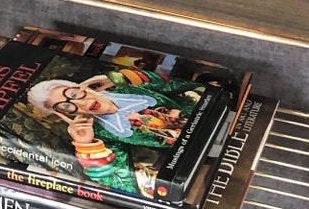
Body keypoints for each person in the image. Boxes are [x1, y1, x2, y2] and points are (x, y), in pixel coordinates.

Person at [26, 70, 198, 195]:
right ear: (66, 114)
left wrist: (121, 77)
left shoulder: (124, 88)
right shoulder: (101, 132)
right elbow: (122, 183)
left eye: (73, 93)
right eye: (65, 106)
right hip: (196, 150)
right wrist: (87, 145)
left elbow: (178, 83)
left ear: (81, 87)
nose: (83, 104)